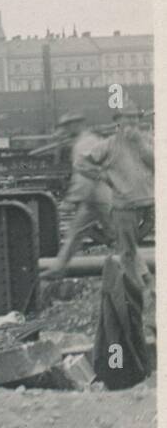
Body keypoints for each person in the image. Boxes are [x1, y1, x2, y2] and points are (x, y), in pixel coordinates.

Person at [79, 110, 154, 303]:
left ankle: (146, 284)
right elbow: (82, 163)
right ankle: (138, 294)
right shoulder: (109, 144)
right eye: (126, 117)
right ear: (118, 122)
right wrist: (102, 175)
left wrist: (141, 143)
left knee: (129, 248)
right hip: (125, 206)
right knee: (127, 251)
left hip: (149, 205)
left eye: (135, 117)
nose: (131, 121)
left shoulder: (145, 140)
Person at [42, 113, 113, 279]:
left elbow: (84, 177)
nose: (65, 130)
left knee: (119, 236)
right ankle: (58, 269)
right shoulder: (85, 141)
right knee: (75, 233)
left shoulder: (85, 143)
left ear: (76, 125)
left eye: (67, 126)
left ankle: (139, 272)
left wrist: (71, 200)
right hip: (94, 199)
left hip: (101, 196)